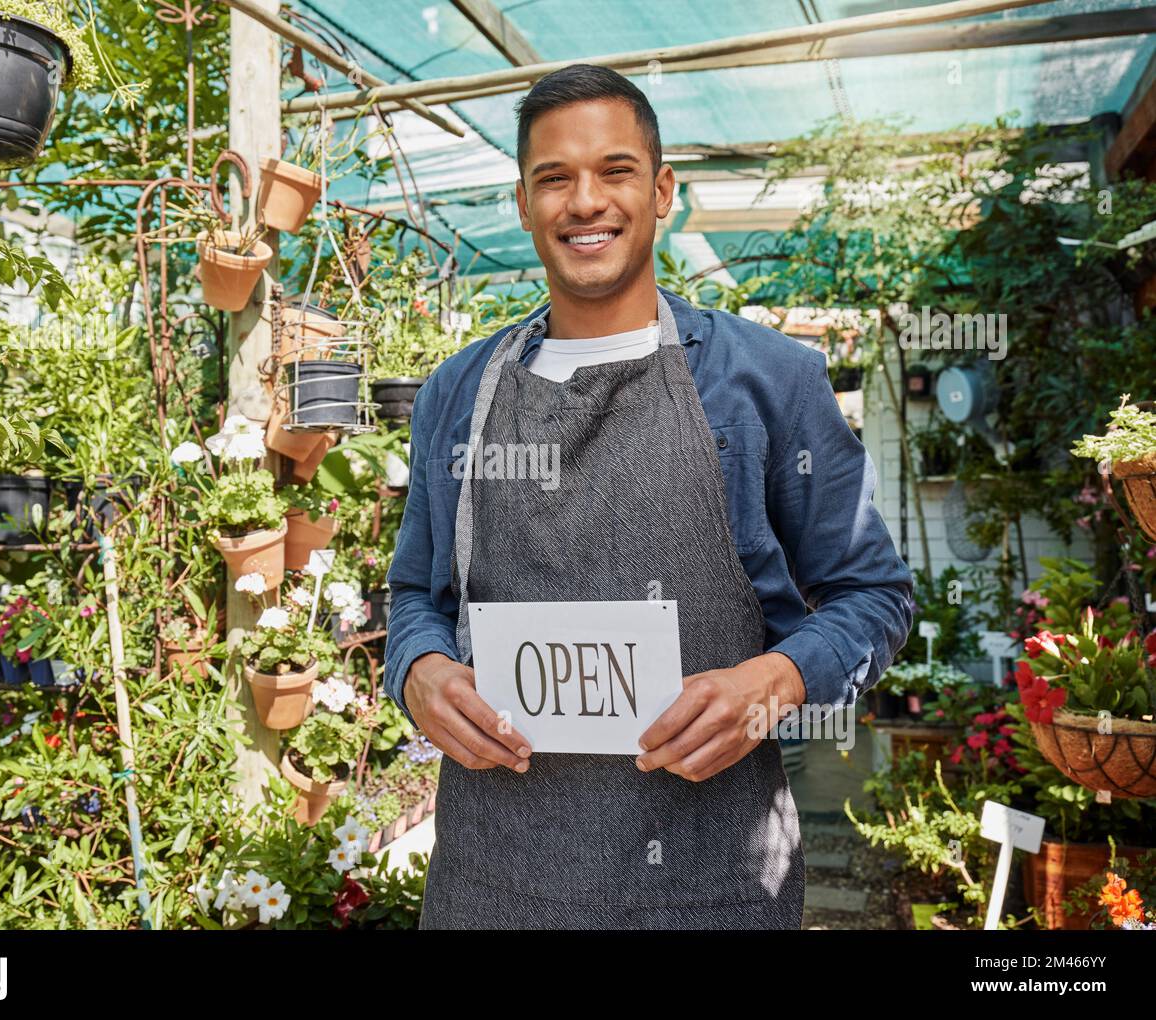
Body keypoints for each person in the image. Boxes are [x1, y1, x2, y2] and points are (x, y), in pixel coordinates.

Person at [382, 63, 914, 930]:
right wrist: (419, 669)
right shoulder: (457, 391)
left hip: (710, 887)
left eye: (615, 171)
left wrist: (777, 680)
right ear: (523, 203)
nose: (584, 201)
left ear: (662, 190)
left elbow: (875, 598)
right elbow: (415, 595)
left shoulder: (769, 381)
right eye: (554, 178)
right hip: (493, 884)